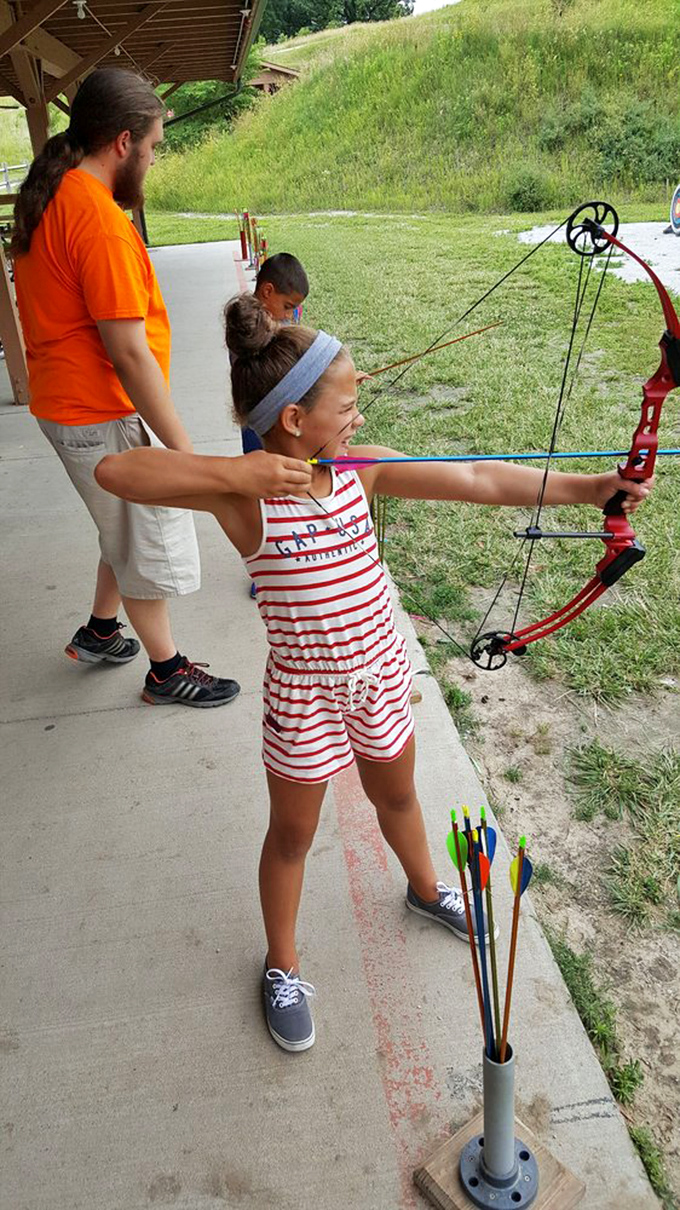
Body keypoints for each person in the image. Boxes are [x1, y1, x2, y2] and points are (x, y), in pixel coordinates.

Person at [93, 293, 653, 1052]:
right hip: (304, 699)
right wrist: (238, 470)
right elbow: (116, 469)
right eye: (347, 404)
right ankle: (282, 965)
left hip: (378, 677)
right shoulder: (241, 497)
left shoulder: (359, 469)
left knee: (398, 795)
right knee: (292, 837)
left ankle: (425, 891)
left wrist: (591, 491)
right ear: (293, 420)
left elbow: (480, 480)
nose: (358, 418)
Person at [11, 67, 241, 708]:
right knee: (146, 538)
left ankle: (102, 630)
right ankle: (166, 671)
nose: (153, 158)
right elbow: (130, 355)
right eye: (154, 146)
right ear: (122, 142)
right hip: (98, 411)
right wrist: (183, 451)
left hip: (68, 403)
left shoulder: (56, 193)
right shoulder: (100, 221)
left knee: (120, 522)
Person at [240, 252, 309, 457]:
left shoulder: (271, 322)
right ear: (267, 291)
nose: (288, 316)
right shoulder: (248, 324)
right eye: (287, 307)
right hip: (258, 419)